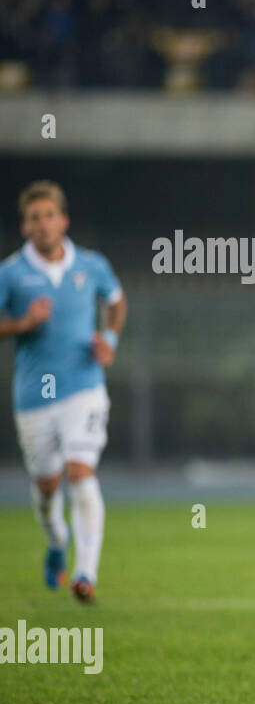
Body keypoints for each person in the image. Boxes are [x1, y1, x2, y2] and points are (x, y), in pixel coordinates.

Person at [0, 180, 126, 603]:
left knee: (80, 471)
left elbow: (116, 300)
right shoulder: (11, 273)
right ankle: (57, 542)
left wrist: (109, 337)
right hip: (34, 397)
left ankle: (85, 573)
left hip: (84, 387)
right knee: (48, 486)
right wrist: (21, 324)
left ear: (63, 220)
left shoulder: (91, 266)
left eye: (49, 216)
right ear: (25, 226)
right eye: (34, 218)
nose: (43, 225)